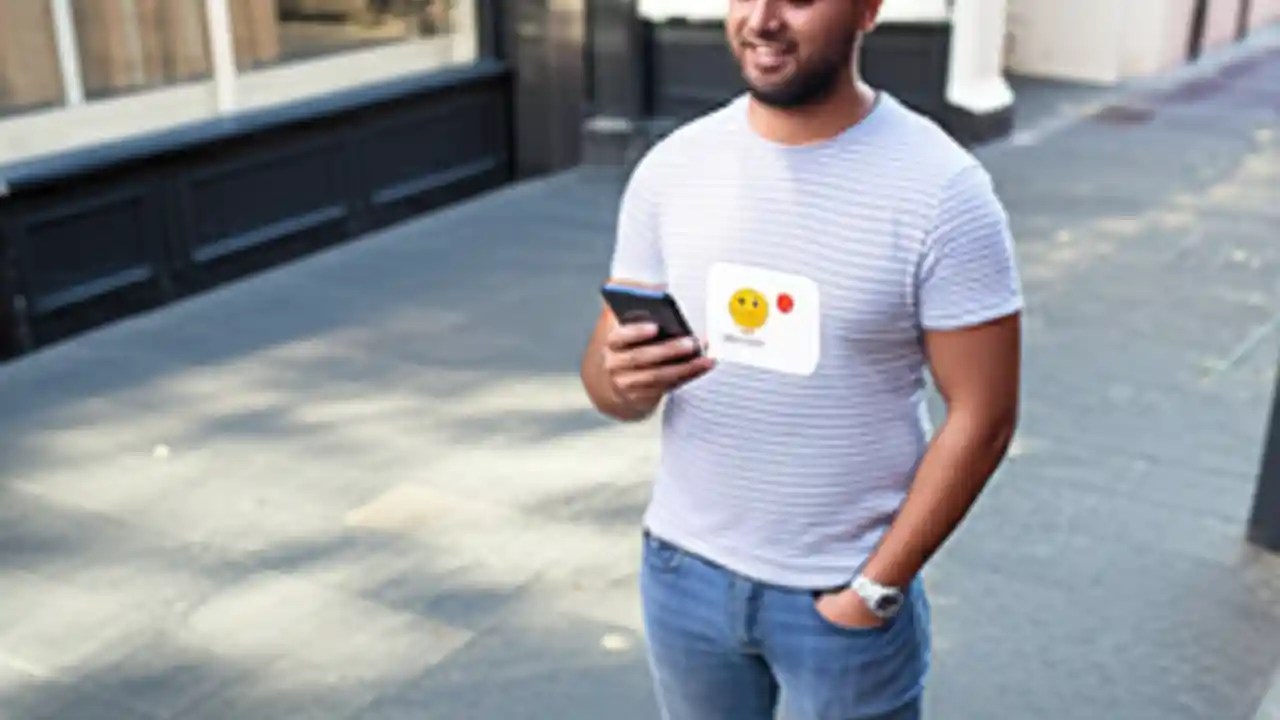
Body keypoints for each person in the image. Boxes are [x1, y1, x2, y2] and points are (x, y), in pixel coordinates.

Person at [578, 0, 1022, 717]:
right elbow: (607, 380)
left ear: (869, 9)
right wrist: (621, 381)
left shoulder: (945, 190)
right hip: (682, 573)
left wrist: (876, 589)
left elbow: (985, 415)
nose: (761, 19)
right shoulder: (672, 169)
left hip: (842, 593)